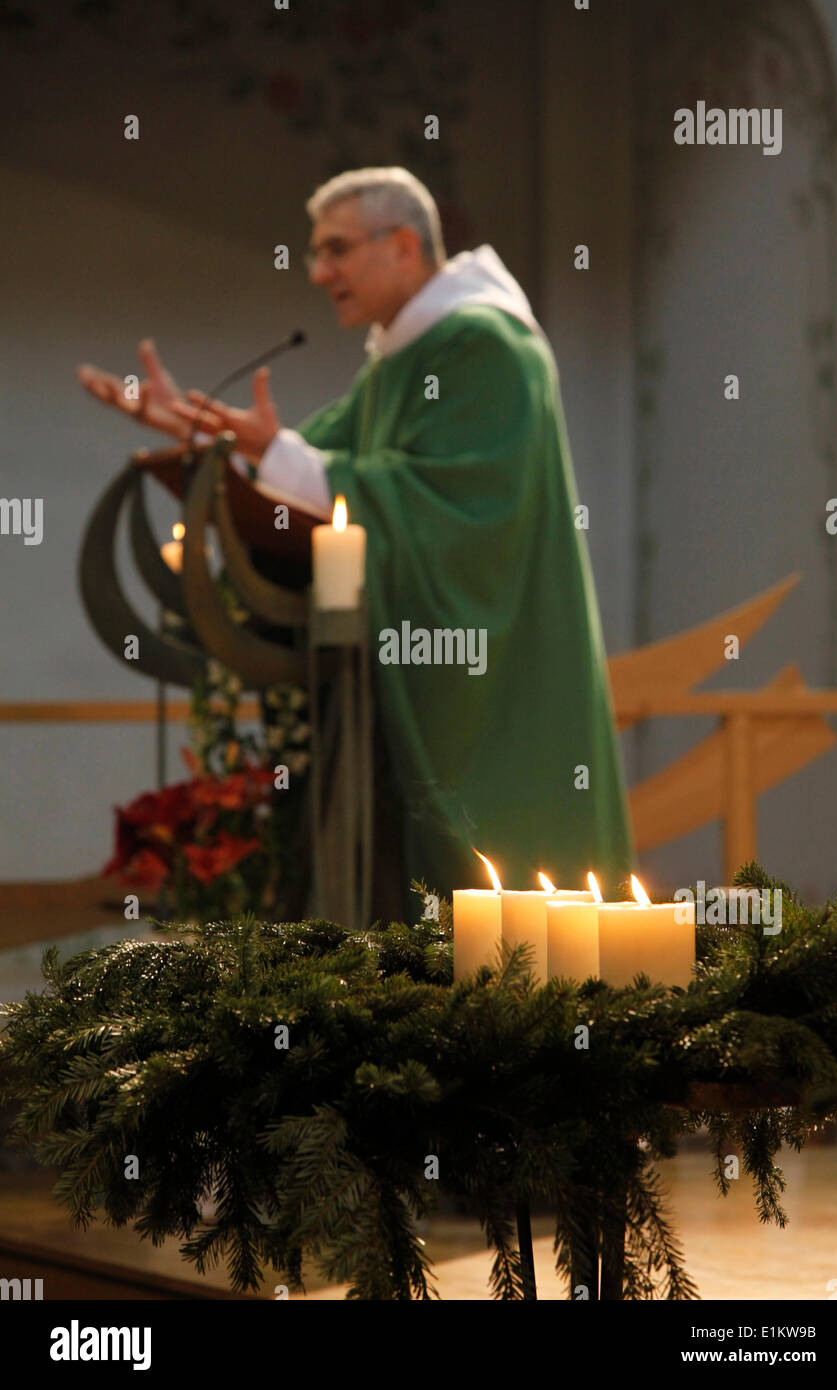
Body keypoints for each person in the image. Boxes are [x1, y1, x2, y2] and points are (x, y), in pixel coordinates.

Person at [78, 166, 633, 910]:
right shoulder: (402, 358)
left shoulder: (486, 348)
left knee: (510, 935)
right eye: (315, 253)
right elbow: (306, 463)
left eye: (335, 249)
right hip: (400, 672)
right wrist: (201, 433)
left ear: (403, 245)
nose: (318, 271)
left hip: (493, 684)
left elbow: (454, 513)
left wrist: (274, 458)